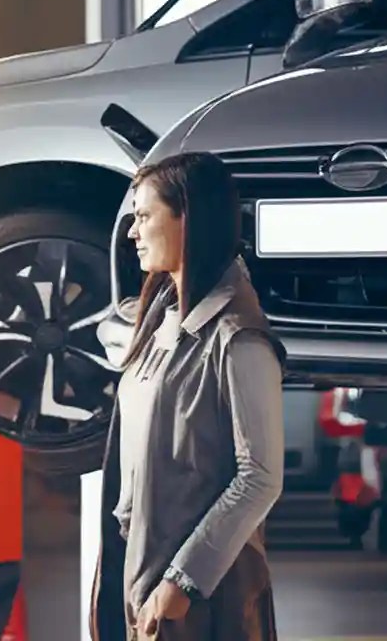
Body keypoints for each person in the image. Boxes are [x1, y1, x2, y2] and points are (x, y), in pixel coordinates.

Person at [90, 152, 286, 641]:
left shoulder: (239, 338)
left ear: (188, 219)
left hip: (199, 597)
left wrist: (183, 581)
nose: (132, 232)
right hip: (139, 570)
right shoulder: (157, 322)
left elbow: (260, 478)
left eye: (143, 216)